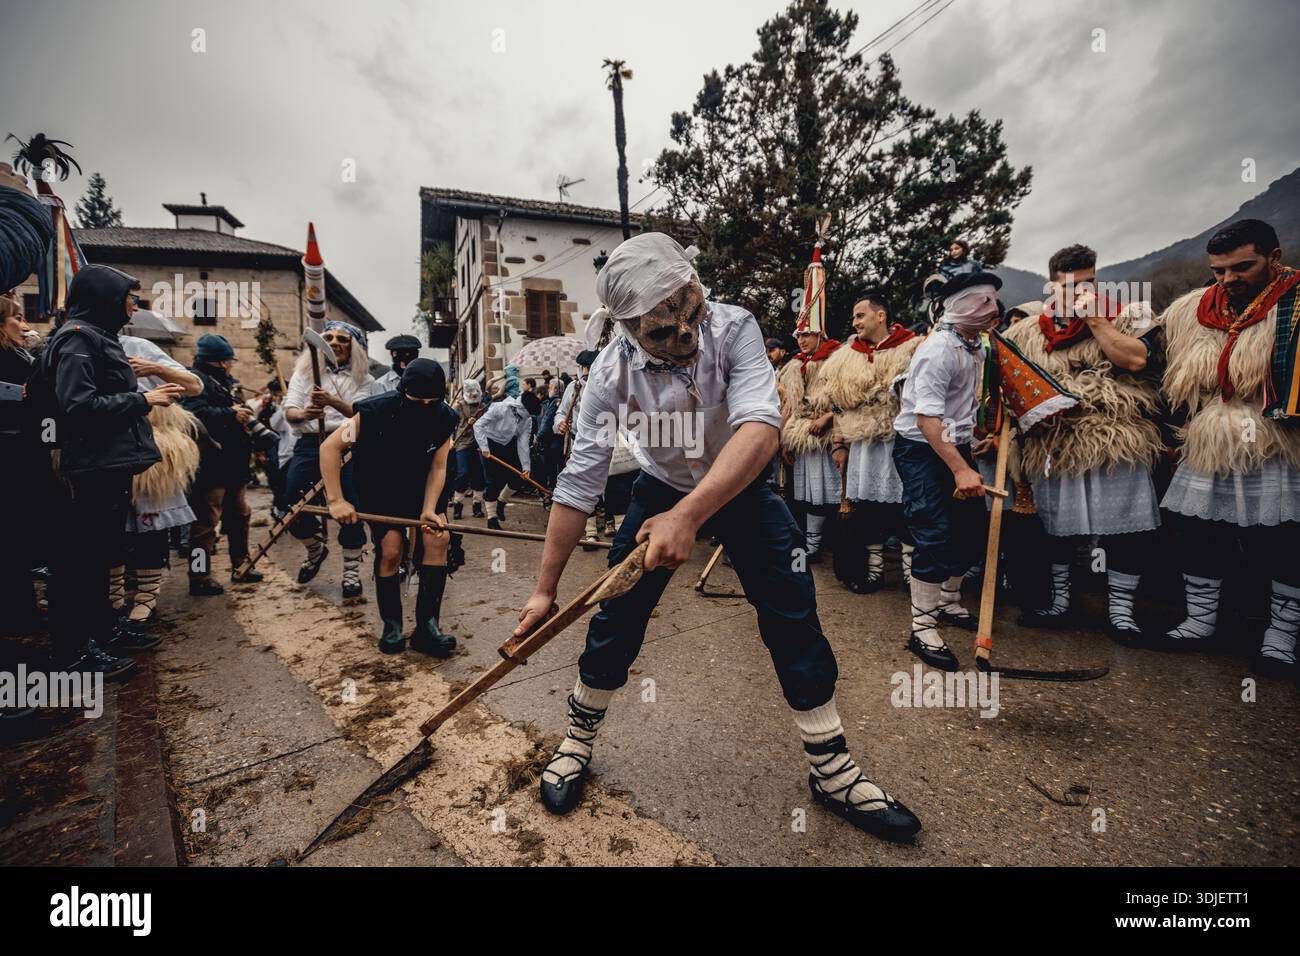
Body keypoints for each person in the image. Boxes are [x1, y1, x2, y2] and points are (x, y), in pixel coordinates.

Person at [516, 233, 921, 843]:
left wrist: (691, 515)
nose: (684, 333)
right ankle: (576, 740)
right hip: (659, 488)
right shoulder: (608, 375)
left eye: (690, 307)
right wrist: (545, 591)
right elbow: (578, 483)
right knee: (617, 614)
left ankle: (831, 768)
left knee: (792, 610)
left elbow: (760, 428)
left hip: (743, 485)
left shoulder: (734, 328)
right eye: (661, 328)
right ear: (626, 327)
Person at [1156, 219, 1300, 677]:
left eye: (1242, 267)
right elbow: (1167, 375)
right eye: (1219, 270)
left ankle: (1282, 635)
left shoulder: (1295, 302)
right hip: (1208, 436)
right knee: (1195, 530)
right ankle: (1200, 620)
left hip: (1276, 435)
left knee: (1281, 537)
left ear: (1273, 258)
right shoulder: (1193, 310)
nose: (1228, 279)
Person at [999, 245, 1163, 642]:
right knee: (1058, 527)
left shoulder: (1127, 314)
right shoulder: (1026, 331)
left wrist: (1097, 323)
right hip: (1055, 442)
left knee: (1125, 527)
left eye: (1087, 283)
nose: (1079, 292)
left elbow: (1138, 362)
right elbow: (1007, 383)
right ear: (1052, 285)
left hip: (1113, 437)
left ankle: (1122, 612)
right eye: (1069, 286)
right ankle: (1061, 601)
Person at [35, 265, 180, 678]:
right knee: (80, 561)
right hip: (90, 466)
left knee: (101, 556)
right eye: (128, 298)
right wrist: (144, 400)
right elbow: (78, 406)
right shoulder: (77, 339)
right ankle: (73, 652)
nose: (133, 306)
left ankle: (102, 631)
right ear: (105, 298)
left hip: (108, 463)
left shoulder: (96, 337)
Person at [892, 272, 1002, 671]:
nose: (993, 309)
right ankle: (922, 627)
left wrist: (978, 439)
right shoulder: (938, 349)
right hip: (922, 448)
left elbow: (966, 406)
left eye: (994, 300)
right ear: (957, 306)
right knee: (933, 531)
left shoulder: (978, 347)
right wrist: (959, 470)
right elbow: (927, 420)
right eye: (983, 301)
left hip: (955, 443)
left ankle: (949, 600)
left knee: (970, 527)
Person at [320, 359, 460, 656]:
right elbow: (330, 448)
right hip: (380, 487)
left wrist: (429, 508)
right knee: (392, 548)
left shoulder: (446, 417)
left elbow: (438, 466)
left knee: (438, 539)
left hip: (423, 485)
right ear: (402, 391)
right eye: (416, 399)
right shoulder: (373, 412)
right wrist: (336, 500)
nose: (424, 405)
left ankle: (427, 627)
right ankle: (392, 626)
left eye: (431, 400)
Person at [821, 290, 920, 592]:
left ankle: (911, 575)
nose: (855, 323)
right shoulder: (843, 358)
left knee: (908, 508)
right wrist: (839, 442)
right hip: (862, 446)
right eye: (853, 317)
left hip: (900, 442)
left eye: (860, 315)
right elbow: (835, 404)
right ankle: (873, 571)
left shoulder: (914, 348)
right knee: (866, 511)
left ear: (881, 315)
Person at [283, 320, 380, 600]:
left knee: (350, 507)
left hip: (348, 446)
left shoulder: (365, 380)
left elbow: (360, 413)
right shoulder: (303, 374)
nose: (335, 342)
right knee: (290, 503)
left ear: (355, 348)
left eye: (343, 339)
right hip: (309, 445)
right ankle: (315, 548)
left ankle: (350, 572)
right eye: (329, 337)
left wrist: (332, 402)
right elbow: (290, 409)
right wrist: (306, 413)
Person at [119, 332, 202, 627]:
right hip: (95, 446)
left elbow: (193, 385)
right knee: (106, 531)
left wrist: (155, 369)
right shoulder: (72, 346)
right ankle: (114, 601)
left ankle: (145, 600)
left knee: (149, 526)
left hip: (145, 445)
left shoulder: (138, 346)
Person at [181, 333, 262, 594]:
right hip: (209, 463)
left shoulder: (227, 383)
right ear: (220, 361)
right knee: (205, 524)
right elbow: (192, 414)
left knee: (240, 515)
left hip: (233, 462)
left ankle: (241, 566)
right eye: (228, 360)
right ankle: (199, 577)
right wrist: (231, 412)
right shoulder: (194, 381)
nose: (231, 364)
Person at [777, 318, 841, 561]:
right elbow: (789, 406)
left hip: (833, 436)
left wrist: (828, 417)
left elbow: (848, 397)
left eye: (807, 334)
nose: (801, 340)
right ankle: (812, 543)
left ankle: (837, 543)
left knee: (835, 493)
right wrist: (783, 440)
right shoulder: (794, 366)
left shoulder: (839, 358)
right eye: (798, 336)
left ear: (820, 334)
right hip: (802, 436)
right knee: (810, 493)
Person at [473, 386, 533, 530]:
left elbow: (523, 443)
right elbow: (478, 425)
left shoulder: (527, 420)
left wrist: (526, 467)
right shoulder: (500, 408)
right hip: (490, 443)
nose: (527, 417)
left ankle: (502, 501)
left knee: (519, 478)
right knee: (493, 481)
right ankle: (492, 518)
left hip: (508, 445)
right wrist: (484, 448)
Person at [450, 378, 487, 519]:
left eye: (475, 392)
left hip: (479, 445)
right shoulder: (458, 407)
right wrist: (451, 440)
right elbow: (449, 425)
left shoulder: (483, 406)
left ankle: (477, 505)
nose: (473, 395)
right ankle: (457, 505)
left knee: (479, 474)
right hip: (463, 444)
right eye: (471, 392)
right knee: (463, 473)